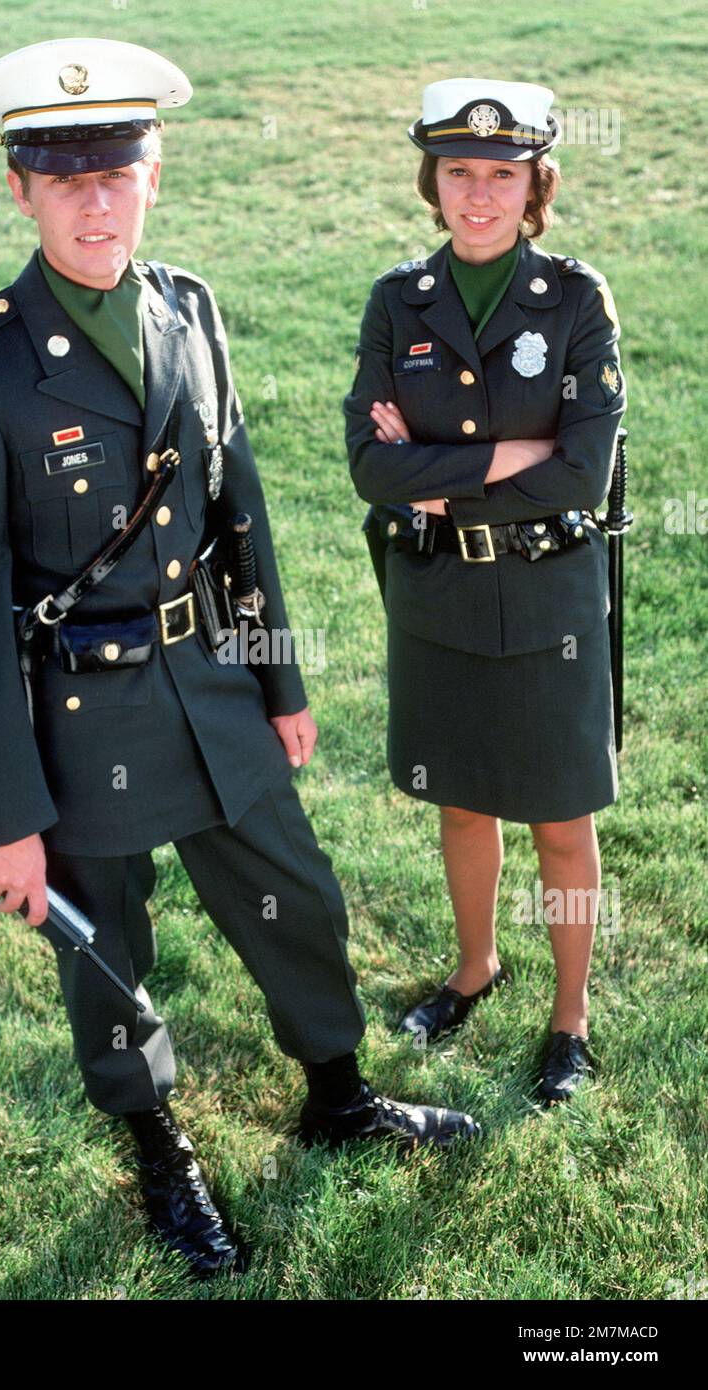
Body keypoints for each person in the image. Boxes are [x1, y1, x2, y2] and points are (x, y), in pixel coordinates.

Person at [0, 40, 480, 1281]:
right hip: (76, 720)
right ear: (20, 191)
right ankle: (160, 1149)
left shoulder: (189, 309)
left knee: (298, 901)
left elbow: (238, 511)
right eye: (65, 180)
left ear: (152, 171)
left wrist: (277, 678)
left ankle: (337, 1096)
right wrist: (4, 819)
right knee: (108, 950)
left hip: (209, 684)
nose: (94, 201)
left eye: (115, 170)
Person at [344, 78, 626, 1106]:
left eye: (499, 173)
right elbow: (366, 469)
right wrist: (510, 448)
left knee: (559, 815)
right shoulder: (397, 301)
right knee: (459, 801)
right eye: (457, 170)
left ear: (532, 182)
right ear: (432, 178)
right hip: (437, 596)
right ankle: (473, 968)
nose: (476, 193)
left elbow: (579, 475)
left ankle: (568, 1017)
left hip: (549, 596)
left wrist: (430, 462)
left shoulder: (572, 298)